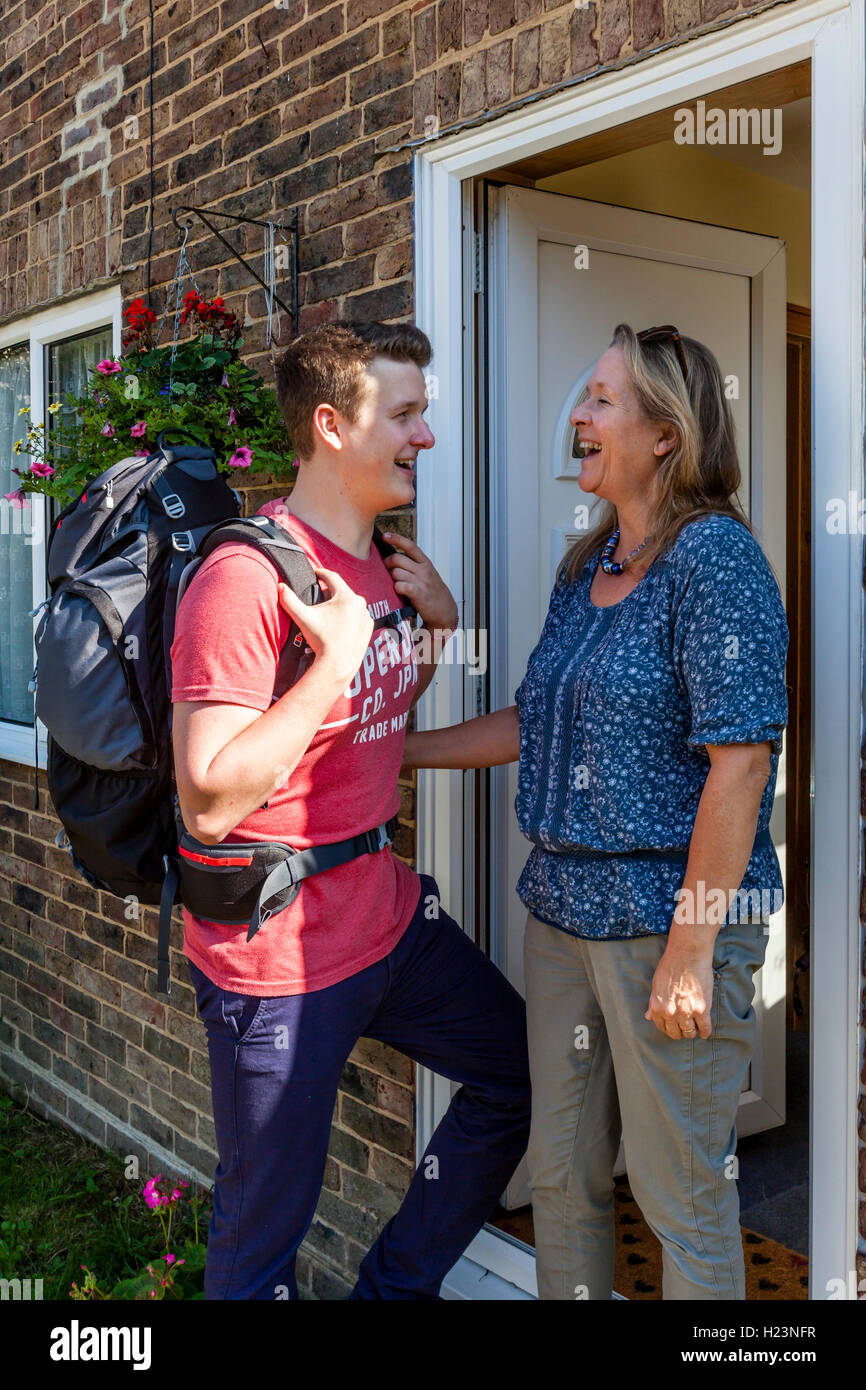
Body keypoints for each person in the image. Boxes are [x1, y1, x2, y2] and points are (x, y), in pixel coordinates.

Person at [401, 322, 789, 1300]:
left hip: (668, 924)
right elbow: (531, 721)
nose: (576, 415)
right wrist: (391, 752)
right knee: (560, 1177)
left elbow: (737, 766)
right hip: (562, 919)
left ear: (666, 432)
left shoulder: (712, 561)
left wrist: (693, 950)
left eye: (600, 399)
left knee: (678, 1197)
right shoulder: (587, 566)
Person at [169, 319, 531, 1300]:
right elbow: (206, 798)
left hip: (385, 921)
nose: (425, 436)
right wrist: (330, 653)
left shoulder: (381, 563)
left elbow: (362, 723)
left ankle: (392, 1288)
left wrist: (439, 632)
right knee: (257, 1251)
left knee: (515, 1073)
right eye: (405, 414)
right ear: (331, 425)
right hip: (277, 964)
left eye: (424, 413)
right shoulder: (242, 579)